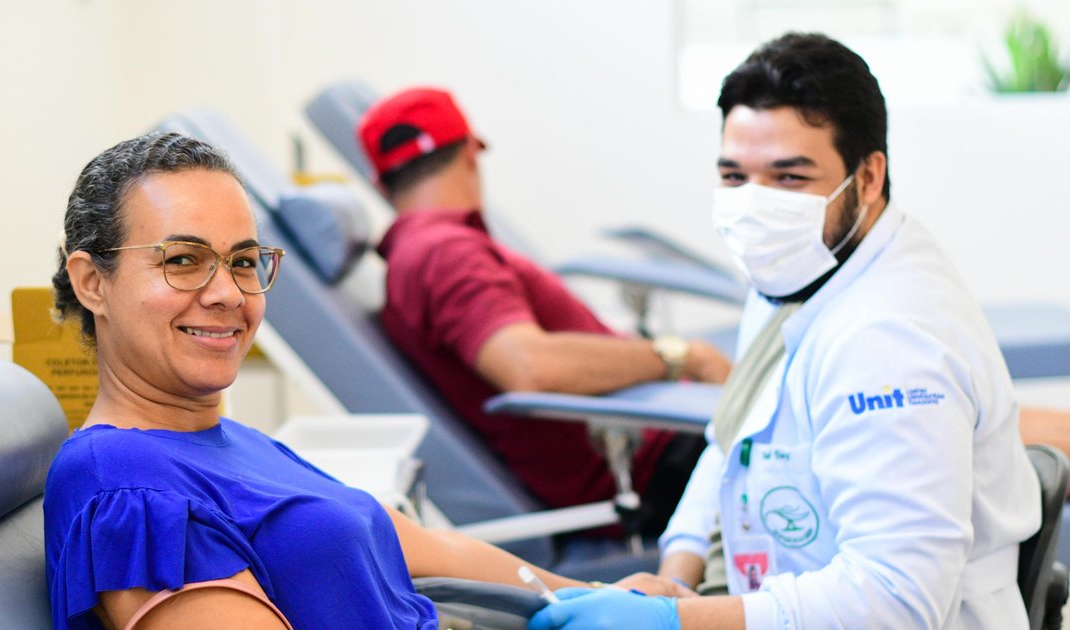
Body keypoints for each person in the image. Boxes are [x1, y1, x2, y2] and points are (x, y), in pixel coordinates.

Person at [42, 131, 680, 630]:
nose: (227, 294)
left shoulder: (233, 442)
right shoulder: (123, 487)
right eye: (183, 261)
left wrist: (598, 597)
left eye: (243, 261)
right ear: (92, 281)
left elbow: (428, 547)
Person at [529, 32, 1040, 629]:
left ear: (869, 177)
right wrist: (677, 573)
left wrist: (679, 622)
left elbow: (899, 601)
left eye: (790, 178)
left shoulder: (891, 338)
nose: (756, 207)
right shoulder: (798, 266)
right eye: (734, 177)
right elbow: (731, 438)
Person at [357, 87, 733, 536]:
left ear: (382, 185)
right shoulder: (446, 253)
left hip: (652, 434)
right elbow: (528, 366)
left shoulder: (423, 250)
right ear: (470, 154)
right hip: (658, 466)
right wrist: (683, 356)